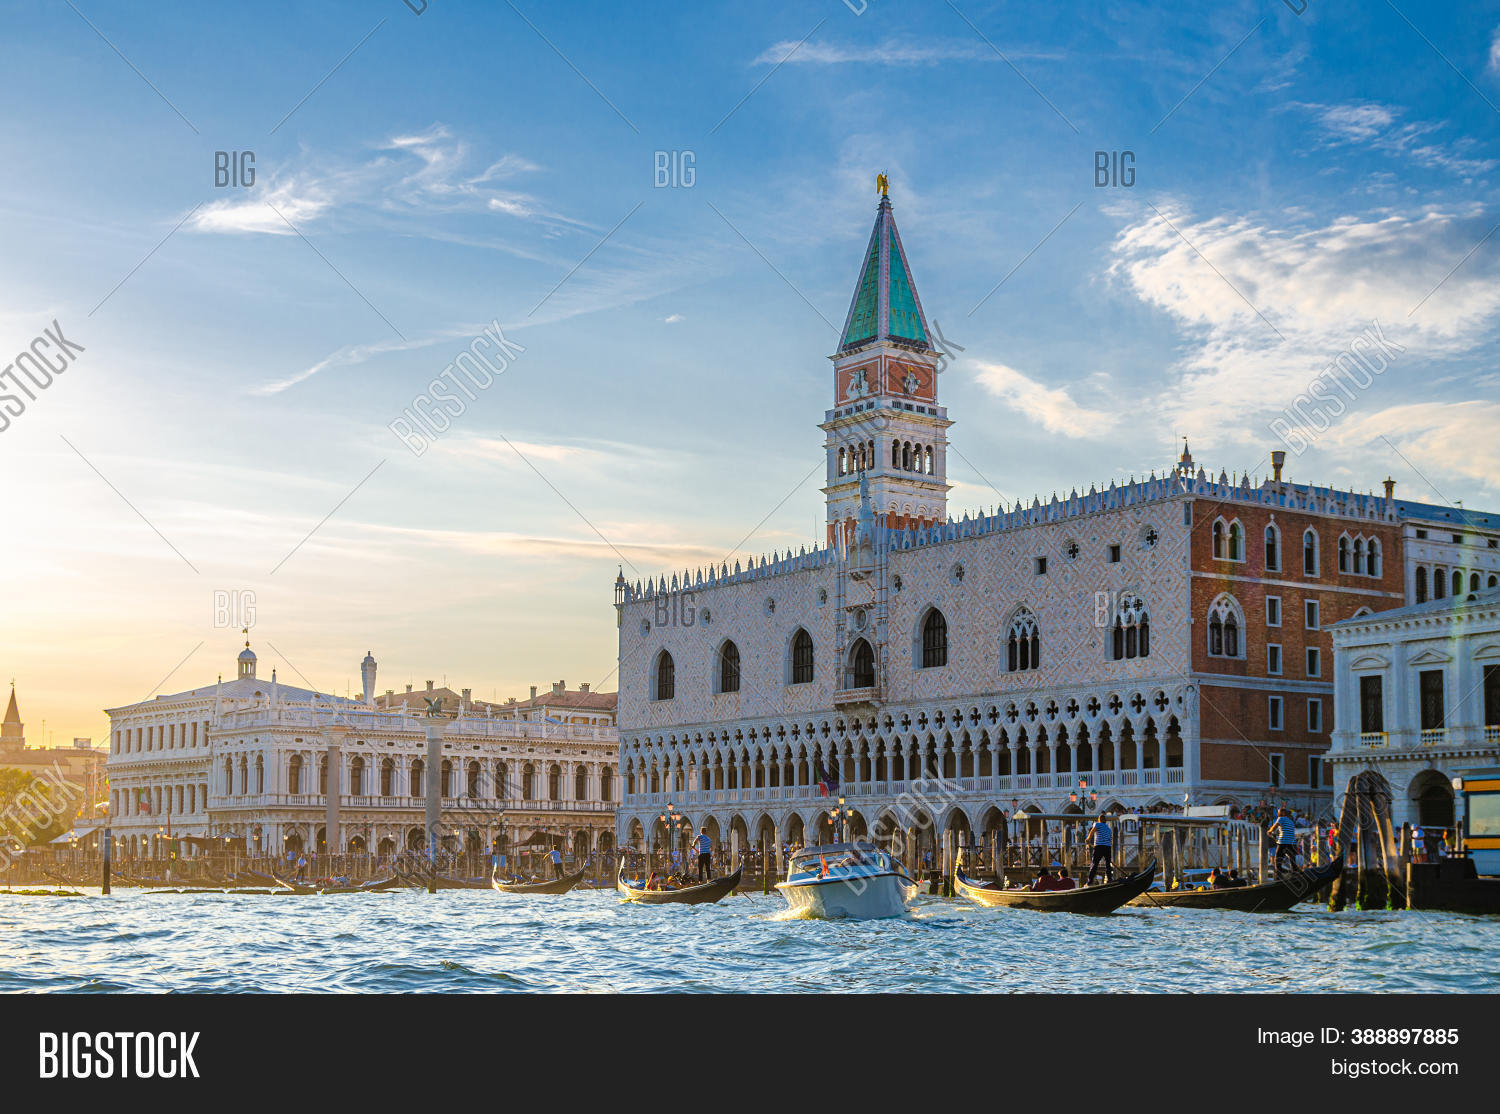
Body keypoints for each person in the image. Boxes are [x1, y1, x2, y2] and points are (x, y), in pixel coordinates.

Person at [1268, 807, 1297, 878]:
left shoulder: (1281, 818)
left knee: (1277, 863)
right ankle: (1294, 874)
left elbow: (1274, 827)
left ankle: (1279, 877)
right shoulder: (1291, 821)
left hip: (1283, 843)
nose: (1277, 814)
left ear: (1283, 813)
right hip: (1293, 843)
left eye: (1278, 812)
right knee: (1293, 862)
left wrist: (1269, 831)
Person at [1085, 814, 1113, 885]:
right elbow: (1110, 840)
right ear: (1105, 821)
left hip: (1099, 846)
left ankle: (1090, 881)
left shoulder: (1097, 824)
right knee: (1108, 864)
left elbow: (1092, 831)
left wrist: (1088, 839)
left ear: (1099, 820)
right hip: (1108, 847)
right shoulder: (1109, 829)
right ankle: (1109, 879)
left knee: (1094, 864)